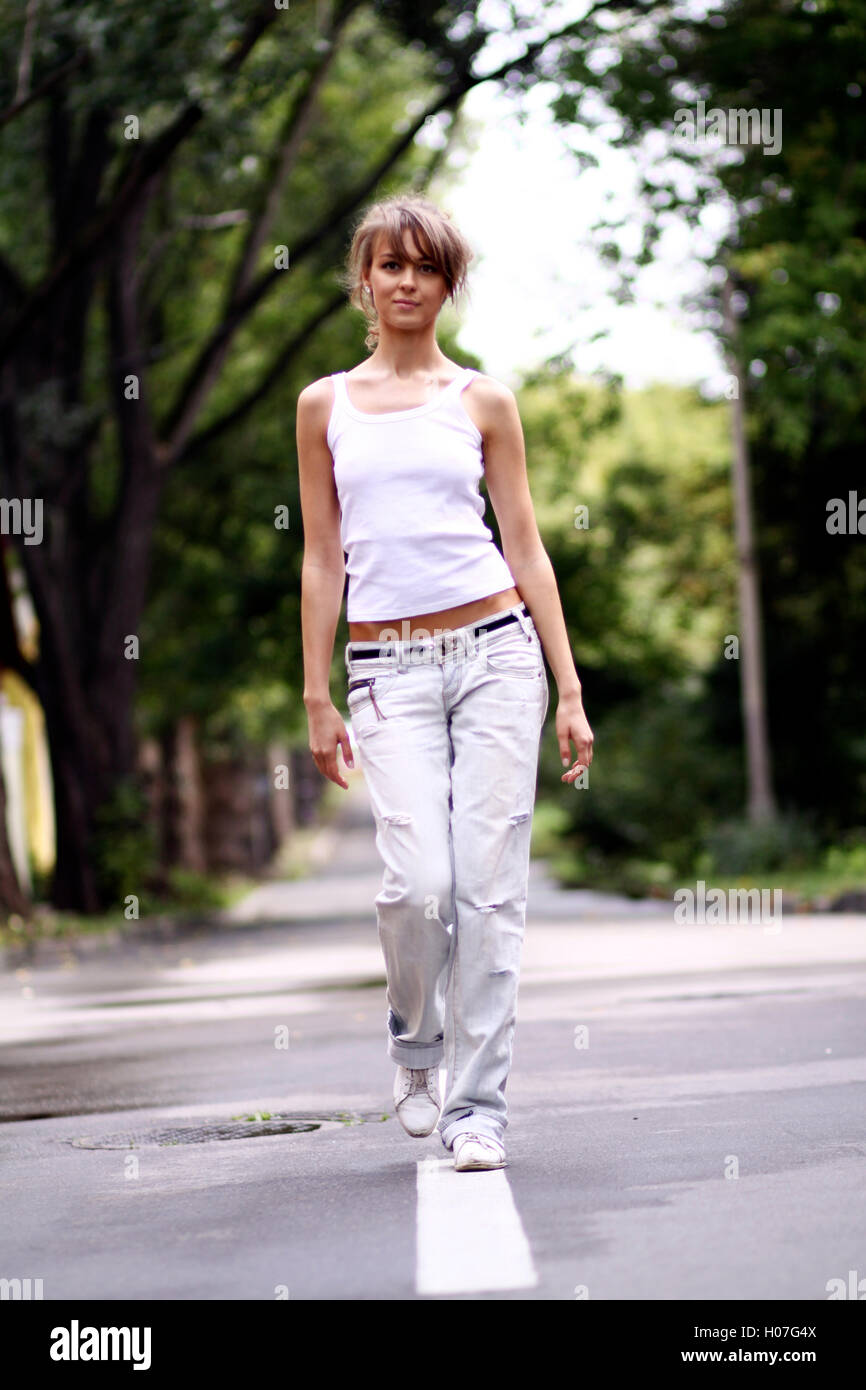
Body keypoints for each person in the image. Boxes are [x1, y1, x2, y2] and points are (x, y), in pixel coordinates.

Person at [296, 192, 593, 1172]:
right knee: (421, 885)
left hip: (496, 651)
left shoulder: (483, 402)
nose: (407, 281)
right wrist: (315, 694)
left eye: (425, 266)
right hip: (386, 664)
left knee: (488, 889)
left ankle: (478, 1110)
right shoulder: (323, 405)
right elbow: (321, 556)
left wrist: (569, 685)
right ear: (365, 280)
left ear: (446, 283)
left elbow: (525, 545)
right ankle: (415, 1041)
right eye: (390, 264)